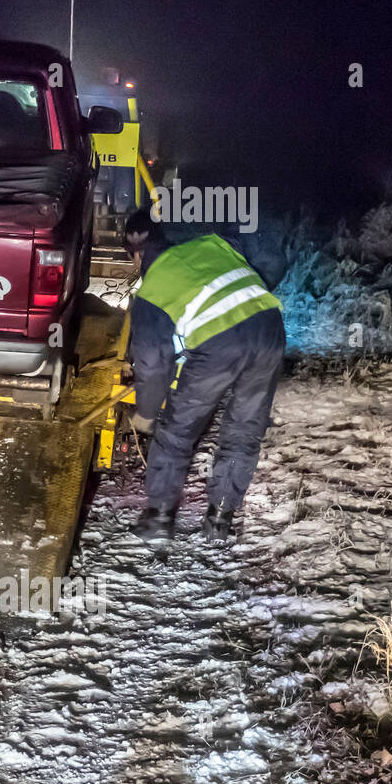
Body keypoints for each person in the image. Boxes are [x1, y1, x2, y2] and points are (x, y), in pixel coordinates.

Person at [123, 210, 286, 543]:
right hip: (269, 329)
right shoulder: (210, 246)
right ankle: (220, 519)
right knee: (244, 428)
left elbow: (154, 366)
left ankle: (159, 519)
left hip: (220, 344)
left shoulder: (151, 290)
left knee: (177, 429)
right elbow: (264, 267)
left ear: (138, 255)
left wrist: (146, 413)